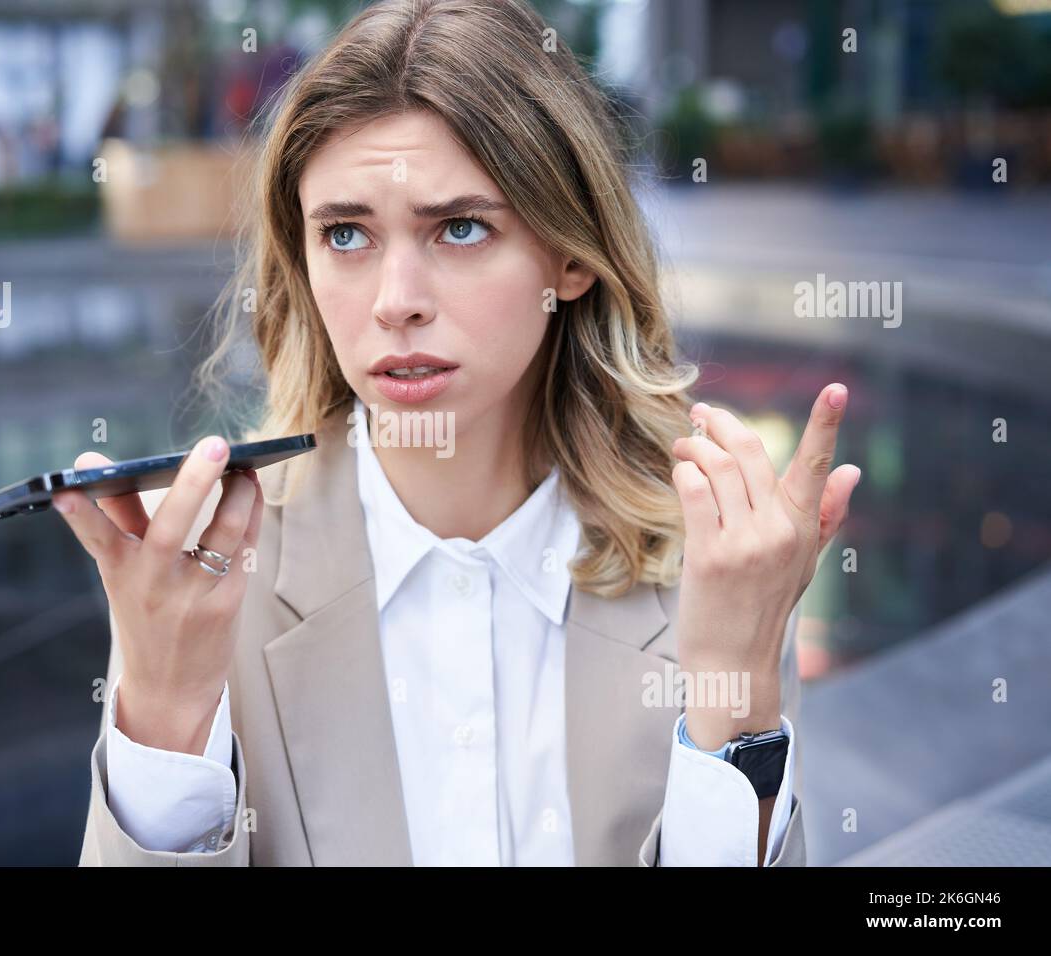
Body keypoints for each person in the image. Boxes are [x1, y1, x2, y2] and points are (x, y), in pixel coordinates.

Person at [57, 0, 860, 866]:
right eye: (347, 233)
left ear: (572, 255)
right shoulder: (205, 584)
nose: (396, 298)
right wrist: (166, 712)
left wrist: (733, 696)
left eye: (461, 227)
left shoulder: (716, 571)